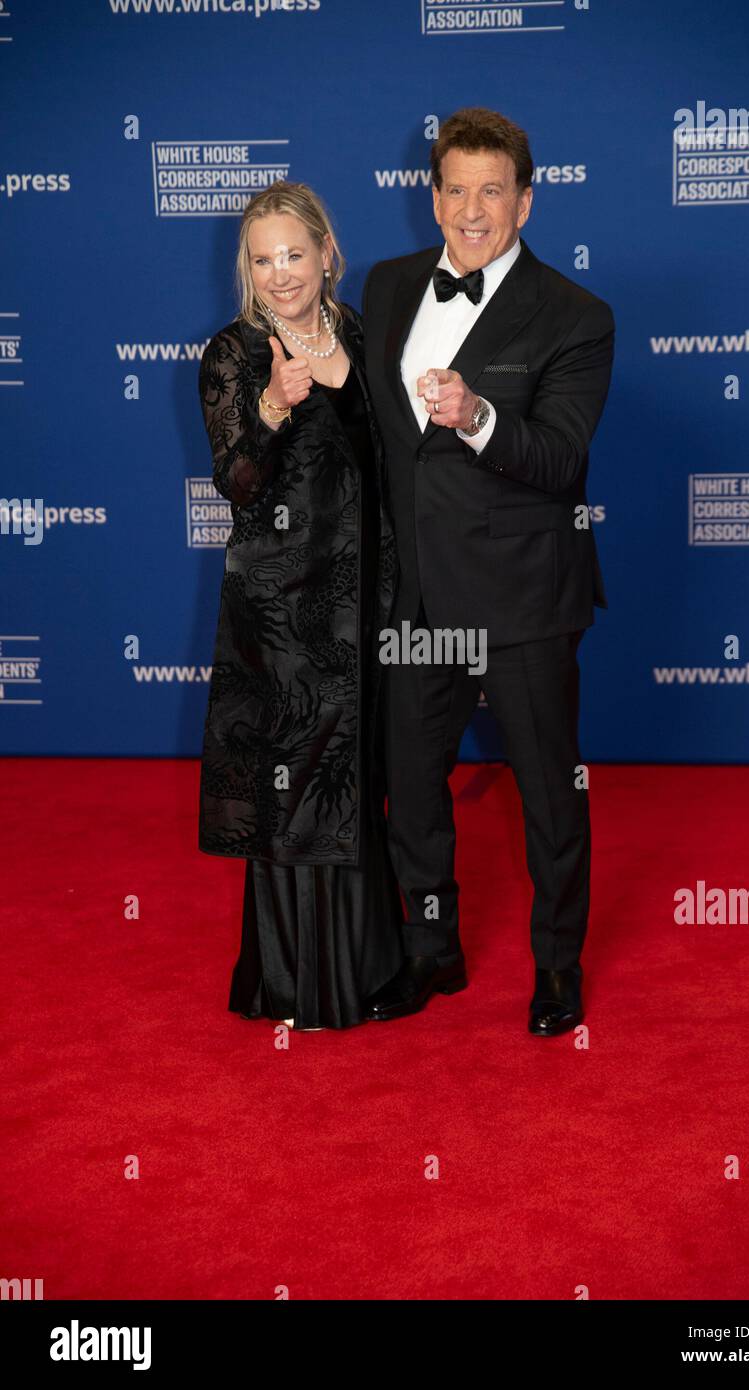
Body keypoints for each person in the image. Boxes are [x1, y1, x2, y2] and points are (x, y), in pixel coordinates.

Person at [361, 108, 615, 1035]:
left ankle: (557, 968)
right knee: (412, 786)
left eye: (493, 191)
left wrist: (477, 417)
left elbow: (561, 459)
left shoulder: (577, 316)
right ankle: (432, 949)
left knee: (548, 794)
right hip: (417, 597)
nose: (473, 210)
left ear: (526, 202)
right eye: (457, 190)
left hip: (523, 596)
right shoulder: (387, 286)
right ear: (433, 197)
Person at [197, 180, 403, 1031]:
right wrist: (275, 406)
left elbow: (392, 458)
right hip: (281, 612)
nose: (280, 273)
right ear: (246, 270)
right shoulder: (232, 354)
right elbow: (238, 484)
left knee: (358, 776)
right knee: (295, 786)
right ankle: (295, 986)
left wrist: (349, 384)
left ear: (326, 252)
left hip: (365, 597)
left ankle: (369, 974)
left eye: (293, 253)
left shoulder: (360, 333)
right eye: (262, 259)